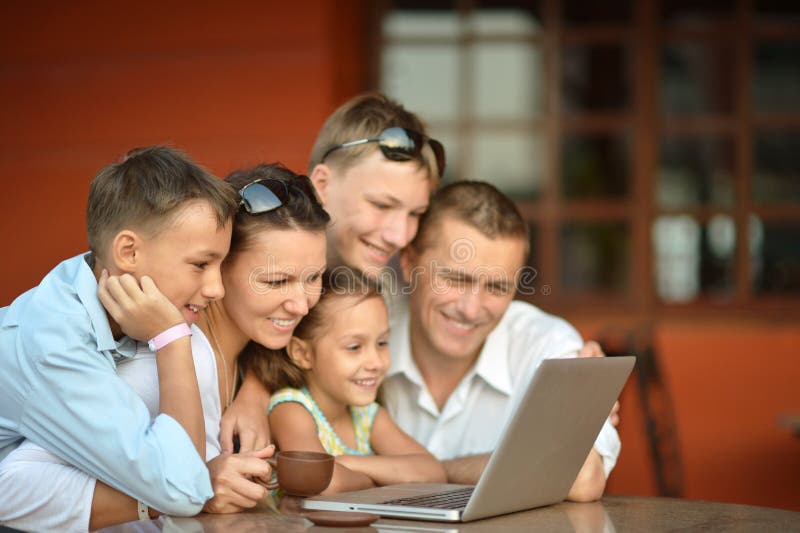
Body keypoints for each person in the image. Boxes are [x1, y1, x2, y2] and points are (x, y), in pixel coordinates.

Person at [0, 161, 329, 530]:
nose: (301, 304)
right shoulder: (131, 353)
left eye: (314, 277)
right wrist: (191, 490)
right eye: (275, 281)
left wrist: (256, 389)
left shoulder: (263, 351)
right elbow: (9, 486)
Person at [379, 181, 621, 502]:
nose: (470, 309)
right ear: (409, 264)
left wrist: (427, 472)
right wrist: (522, 465)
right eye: (454, 279)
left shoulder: (544, 344)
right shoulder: (362, 332)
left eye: (496, 287)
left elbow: (581, 476)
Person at [265, 267, 446, 494]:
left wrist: (348, 463)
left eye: (382, 343)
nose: (376, 362)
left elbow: (433, 472)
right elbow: (321, 482)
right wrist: (379, 482)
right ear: (303, 354)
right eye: (354, 347)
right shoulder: (291, 408)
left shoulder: (366, 416)